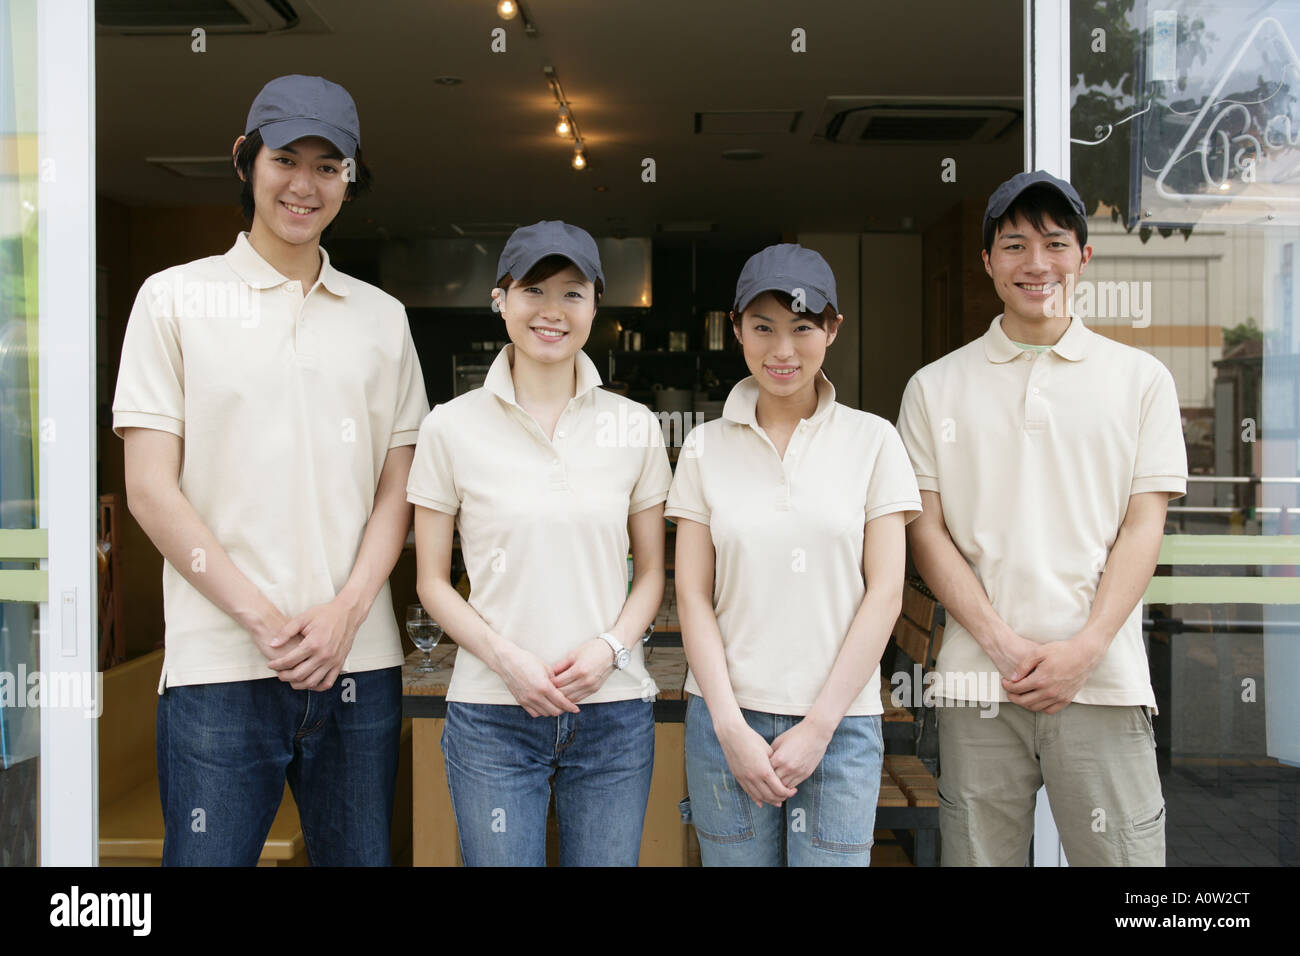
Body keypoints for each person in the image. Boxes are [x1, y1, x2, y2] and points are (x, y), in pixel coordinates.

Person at [113, 75, 429, 865]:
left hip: (358, 664)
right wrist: (262, 618)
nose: (305, 184)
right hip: (219, 666)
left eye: (330, 167)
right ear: (245, 161)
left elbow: (401, 487)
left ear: (349, 181)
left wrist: (347, 612)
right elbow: (150, 488)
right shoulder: (173, 299)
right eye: (287, 158)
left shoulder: (381, 319)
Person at [896, 170, 1188, 866]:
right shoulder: (935, 387)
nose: (1036, 263)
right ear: (989, 262)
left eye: (1055, 243)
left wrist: (1084, 649)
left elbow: (1143, 528)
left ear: (1084, 257)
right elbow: (924, 530)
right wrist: (999, 642)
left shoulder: (1139, 380)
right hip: (976, 684)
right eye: (1015, 244)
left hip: (1104, 680)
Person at [407, 220, 672, 866]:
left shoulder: (633, 426)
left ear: (594, 308)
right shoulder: (450, 428)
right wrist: (506, 659)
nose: (552, 311)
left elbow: (653, 576)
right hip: (492, 714)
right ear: (501, 299)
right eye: (533, 290)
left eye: (572, 293)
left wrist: (610, 649)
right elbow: (431, 582)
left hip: (610, 714)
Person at [667, 244, 920, 866]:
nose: (782, 350)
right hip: (726, 723)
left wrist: (820, 725)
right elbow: (692, 593)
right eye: (763, 328)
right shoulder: (703, 446)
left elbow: (886, 590)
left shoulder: (873, 441)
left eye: (802, 327)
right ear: (737, 331)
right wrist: (728, 725)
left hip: (841, 726)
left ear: (831, 329)